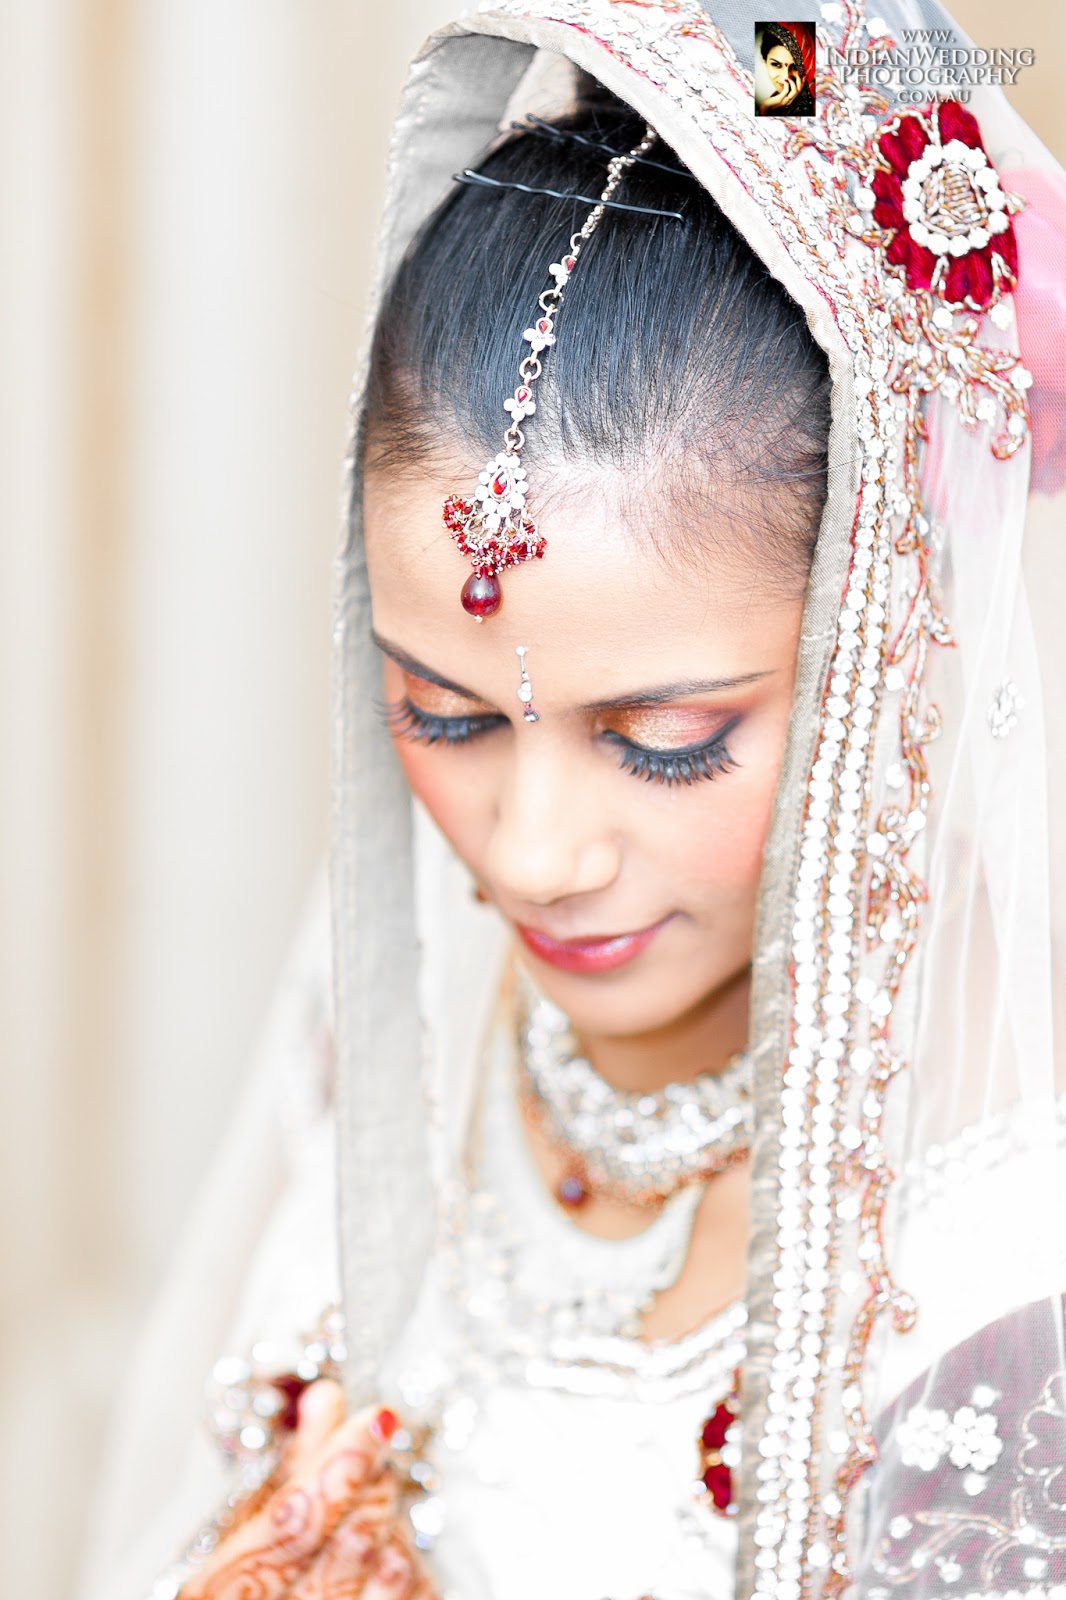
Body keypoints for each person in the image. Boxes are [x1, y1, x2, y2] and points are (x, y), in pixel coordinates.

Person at [77, 2, 1066, 1598]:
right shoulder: (388, 991)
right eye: (438, 714)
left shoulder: (1008, 1262)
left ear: (895, 639)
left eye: (664, 739)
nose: (529, 860)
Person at [755, 22, 815, 115]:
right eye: (776, 64)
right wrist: (764, 108)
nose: (786, 77)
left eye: (795, 67)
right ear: (765, 62)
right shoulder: (773, 102)